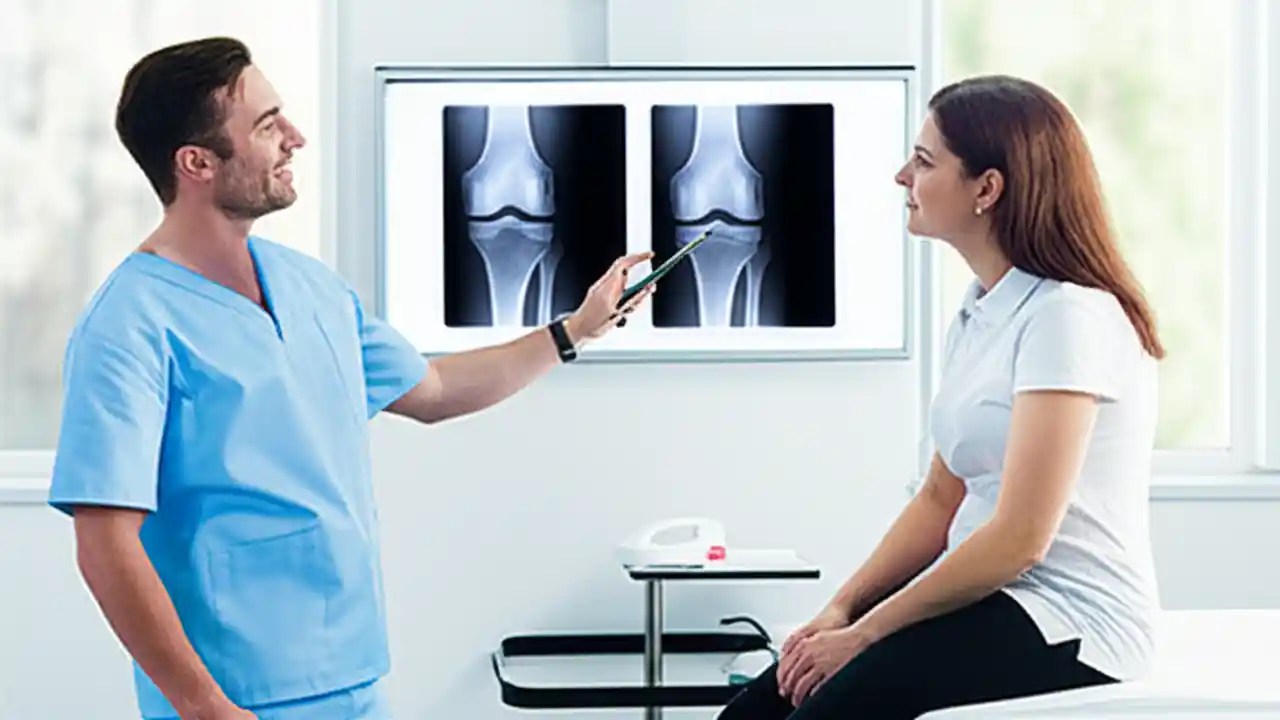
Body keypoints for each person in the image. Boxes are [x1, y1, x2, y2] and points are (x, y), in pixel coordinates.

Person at [47, 37, 653, 720]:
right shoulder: (129, 324)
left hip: (354, 679)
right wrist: (203, 706)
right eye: (267, 124)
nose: (295, 138)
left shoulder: (308, 285)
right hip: (235, 697)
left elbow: (433, 391)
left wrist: (572, 331)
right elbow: (103, 541)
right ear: (196, 163)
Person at [718, 74, 1165, 719]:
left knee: (831, 709)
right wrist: (840, 611)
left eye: (924, 161)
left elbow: (1019, 539)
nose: (903, 176)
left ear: (987, 189)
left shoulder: (1069, 317)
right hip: (991, 593)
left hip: (1070, 616)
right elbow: (939, 498)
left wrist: (867, 635)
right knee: (754, 713)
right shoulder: (980, 312)